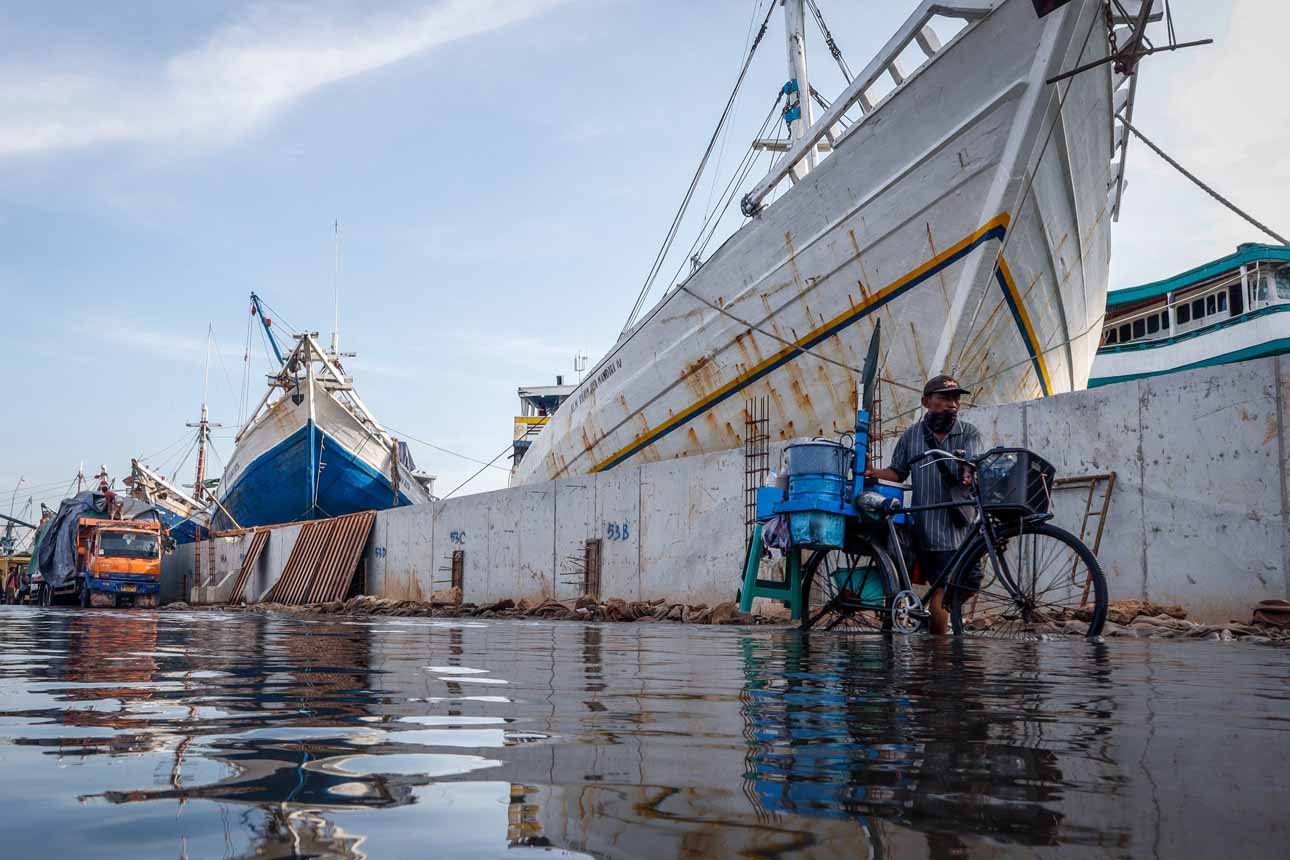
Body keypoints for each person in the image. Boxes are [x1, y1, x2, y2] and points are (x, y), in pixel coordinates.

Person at [865, 374, 982, 634]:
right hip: (928, 526)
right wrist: (873, 473)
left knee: (970, 580)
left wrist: (969, 472)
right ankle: (939, 654)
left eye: (955, 399)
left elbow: (972, 464)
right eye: (944, 398)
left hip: (960, 526)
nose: (952, 404)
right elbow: (898, 472)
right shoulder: (912, 436)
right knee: (942, 586)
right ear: (926, 402)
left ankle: (935, 628)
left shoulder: (969, 433)